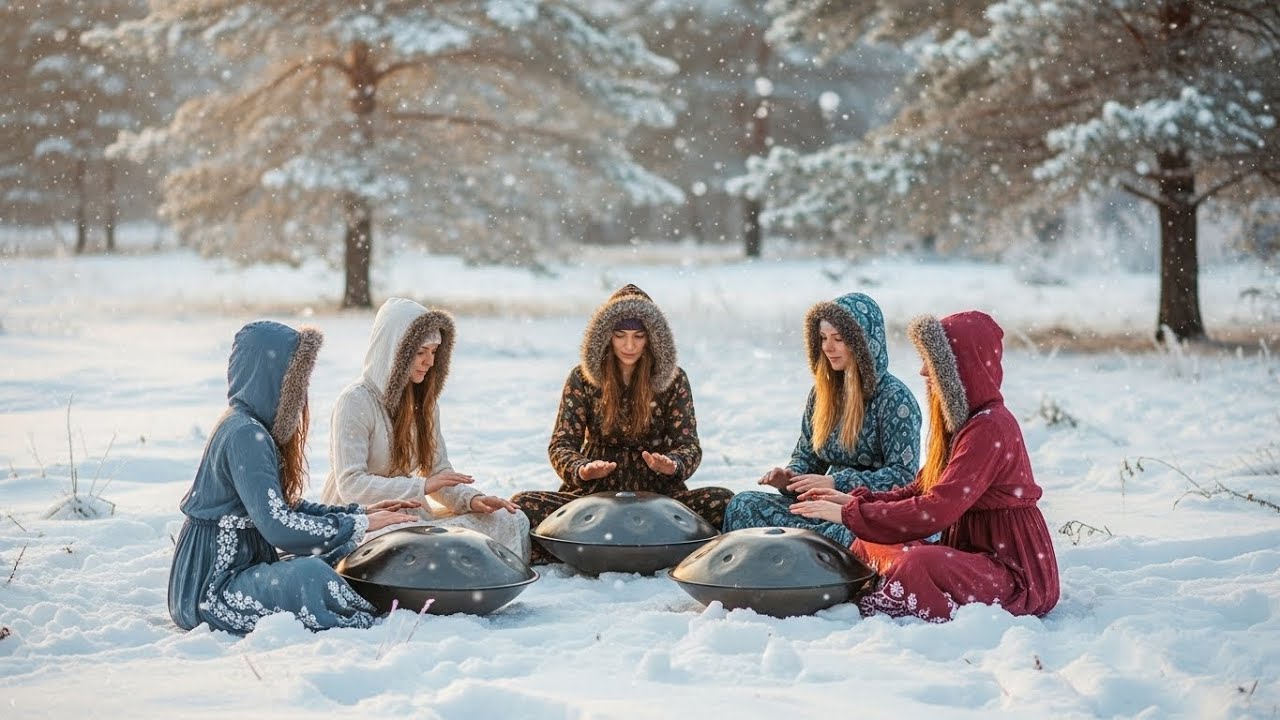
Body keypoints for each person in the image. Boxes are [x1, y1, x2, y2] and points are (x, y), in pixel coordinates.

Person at [792, 311, 1060, 622]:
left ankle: (883, 599)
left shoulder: (990, 428)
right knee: (869, 541)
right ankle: (885, 591)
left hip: (1011, 572)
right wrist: (858, 503)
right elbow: (920, 488)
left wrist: (849, 514)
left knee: (918, 563)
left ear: (961, 369)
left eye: (931, 362)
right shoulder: (962, 424)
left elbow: (937, 509)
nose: (921, 371)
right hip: (970, 557)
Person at [168, 320, 419, 634]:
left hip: (240, 569)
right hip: (210, 590)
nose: (302, 396)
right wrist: (359, 525)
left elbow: (286, 507)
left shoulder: (251, 427)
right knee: (309, 575)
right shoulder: (245, 434)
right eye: (295, 383)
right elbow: (279, 526)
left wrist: (358, 514)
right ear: (270, 379)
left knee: (335, 554)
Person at [511, 284, 733, 564]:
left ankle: (591, 551)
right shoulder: (583, 378)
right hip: (593, 496)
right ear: (605, 336)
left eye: (639, 336)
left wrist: (673, 465)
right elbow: (562, 443)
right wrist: (582, 469)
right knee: (522, 505)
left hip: (658, 497)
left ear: (652, 338)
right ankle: (647, 550)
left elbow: (688, 444)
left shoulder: (673, 380)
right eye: (620, 335)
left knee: (723, 501)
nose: (629, 346)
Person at [321, 297, 530, 561]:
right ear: (394, 352)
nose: (429, 362)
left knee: (509, 519)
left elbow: (438, 473)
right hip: (363, 516)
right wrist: (422, 486)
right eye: (420, 352)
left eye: (434, 352)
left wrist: (472, 500)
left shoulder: (424, 403)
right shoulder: (355, 401)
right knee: (408, 544)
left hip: (410, 514)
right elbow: (351, 484)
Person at [722, 292, 921, 545]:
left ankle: (804, 558)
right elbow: (807, 455)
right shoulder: (822, 393)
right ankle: (781, 563)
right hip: (817, 507)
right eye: (823, 338)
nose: (828, 347)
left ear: (864, 344)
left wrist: (838, 482)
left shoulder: (896, 399)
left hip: (863, 512)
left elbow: (902, 477)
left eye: (838, 339)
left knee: (854, 535)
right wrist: (790, 478)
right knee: (743, 505)